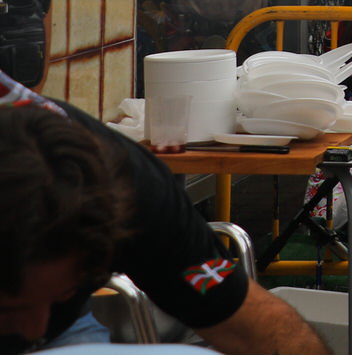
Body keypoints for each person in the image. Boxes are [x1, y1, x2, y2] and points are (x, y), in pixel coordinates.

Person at [0, 73, 330, 355]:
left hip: (69, 327)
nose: (33, 329)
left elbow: (247, 323)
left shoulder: (135, 190)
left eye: (66, 288)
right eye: (8, 306)